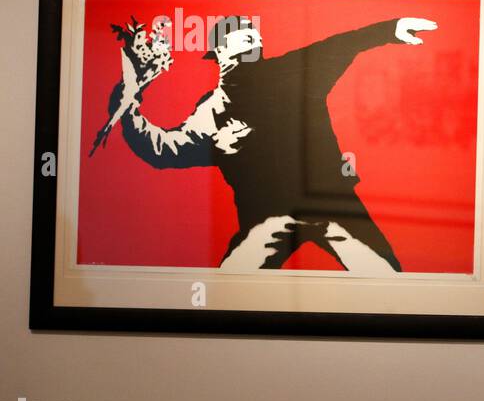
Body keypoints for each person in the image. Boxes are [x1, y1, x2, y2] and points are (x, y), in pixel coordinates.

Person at [100, 14, 437, 273]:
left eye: (256, 35)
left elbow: (340, 45)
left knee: (390, 285)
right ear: (219, 50)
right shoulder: (211, 110)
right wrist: (128, 105)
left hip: (334, 209)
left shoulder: (292, 72)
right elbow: (162, 149)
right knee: (227, 294)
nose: (255, 39)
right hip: (267, 220)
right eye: (244, 35)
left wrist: (390, 29)